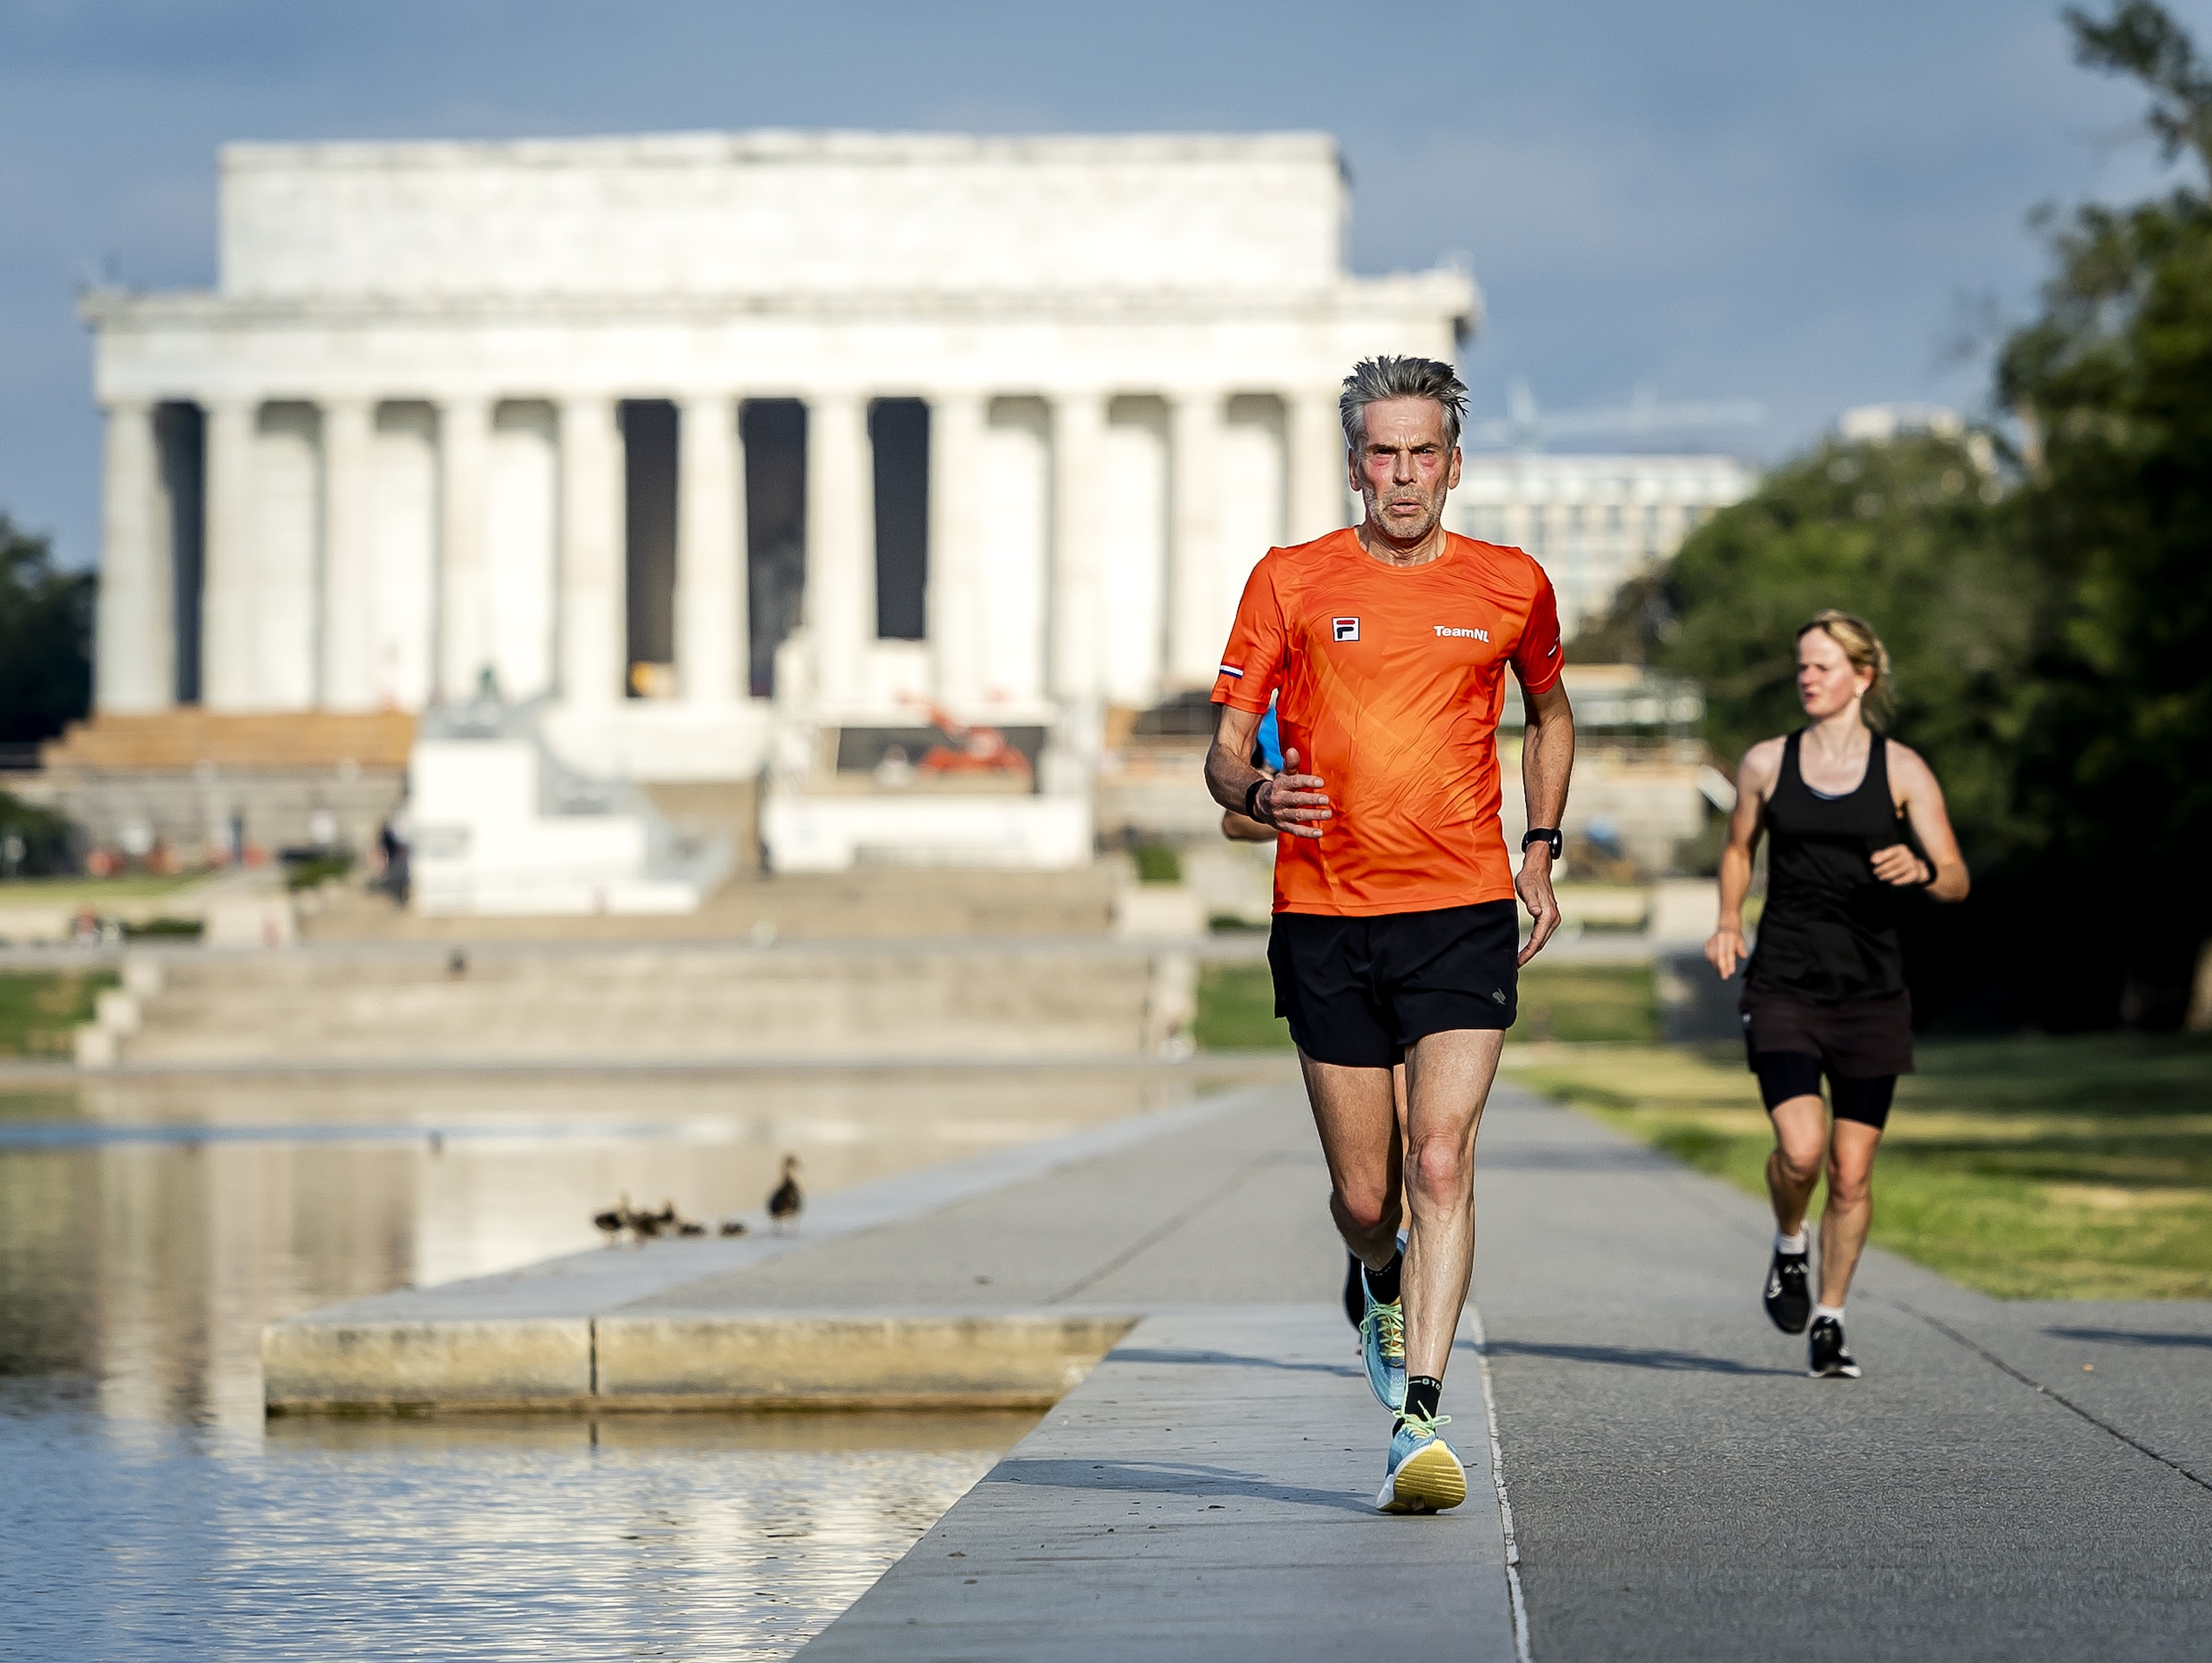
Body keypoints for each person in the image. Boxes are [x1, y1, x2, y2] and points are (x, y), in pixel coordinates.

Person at [1205, 355, 1575, 1512]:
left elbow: (1551, 711)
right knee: (1368, 1200)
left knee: (1440, 1158)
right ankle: (1374, 1278)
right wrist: (1259, 795)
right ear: (1354, 463)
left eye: (1424, 454)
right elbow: (1223, 753)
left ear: (1454, 466)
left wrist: (1541, 843)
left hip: (1460, 906)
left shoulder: (1513, 584)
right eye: (1383, 453)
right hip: (1325, 914)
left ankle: (1419, 1411)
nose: (1403, 475)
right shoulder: (1290, 581)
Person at [1704, 611, 1969, 1379]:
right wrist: (1728, 918)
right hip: (1784, 981)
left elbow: (1956, 875)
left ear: (1863, 677)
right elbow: (1737, 849)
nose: (1808, 678)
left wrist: (1921, 869)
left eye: (1823, 666)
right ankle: (1791, 1241)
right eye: (1802, 667)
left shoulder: (1903, 770)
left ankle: (1831, 1318)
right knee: (1802, 1149)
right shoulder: (1765, 762)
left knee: (1852, 1172)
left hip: (1872, 993)